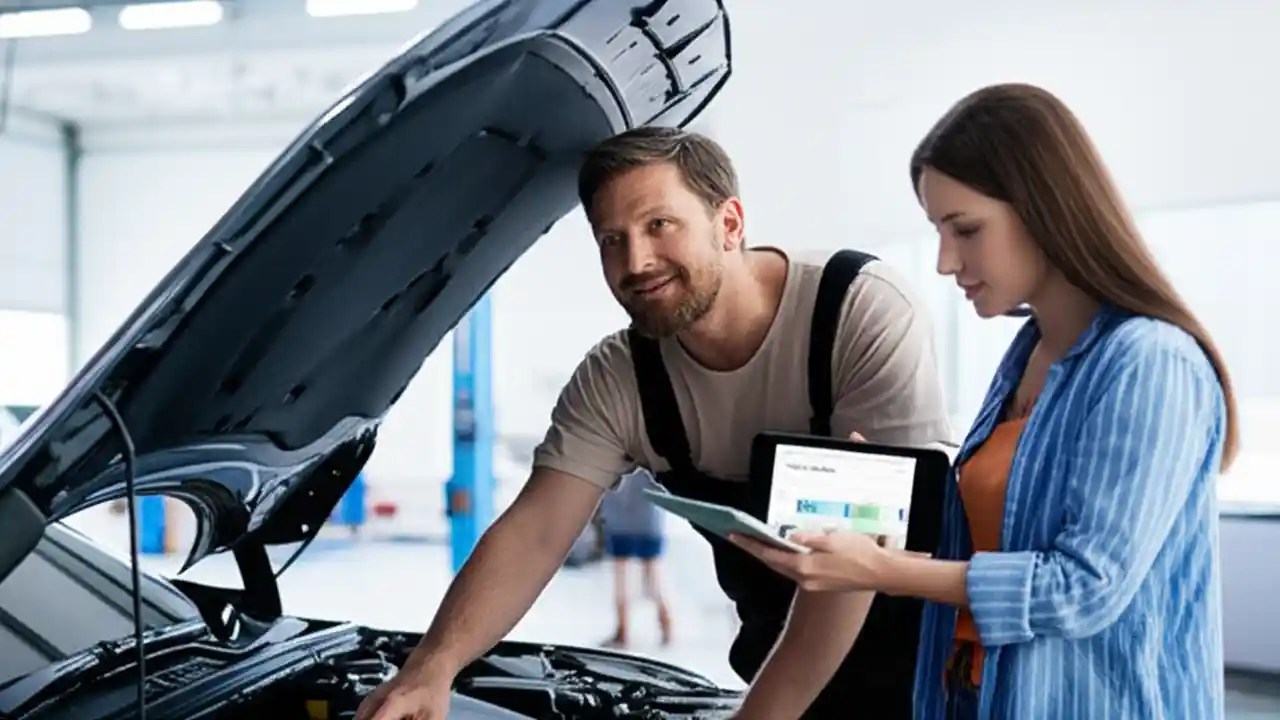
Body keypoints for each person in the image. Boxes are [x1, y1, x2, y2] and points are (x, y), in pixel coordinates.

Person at [354, 126, 953, 720]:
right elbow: (535, 532)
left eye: (659, 225)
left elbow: (857, 562)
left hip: (934, 673)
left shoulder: (858, 311)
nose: (636, 260)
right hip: (783, 665)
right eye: (611, 239)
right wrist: (432, 668)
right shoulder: (619, 376)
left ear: (730, 225)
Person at [729, 82, 1238, 720]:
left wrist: (880, 572)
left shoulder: (1151, 362)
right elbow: (996, 544)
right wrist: (874, 515)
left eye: (965, 229)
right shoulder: (1028, 353)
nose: (945, 261)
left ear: (1045, 210)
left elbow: (1082, 589)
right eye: (938, 231)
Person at [597, 468, 672, 649]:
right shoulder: (651, 453)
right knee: (651, 577)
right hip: (647, 521)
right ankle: (666, 625)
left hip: (620, 521)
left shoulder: (613, 451)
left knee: (622, 579)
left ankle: (623, 632)